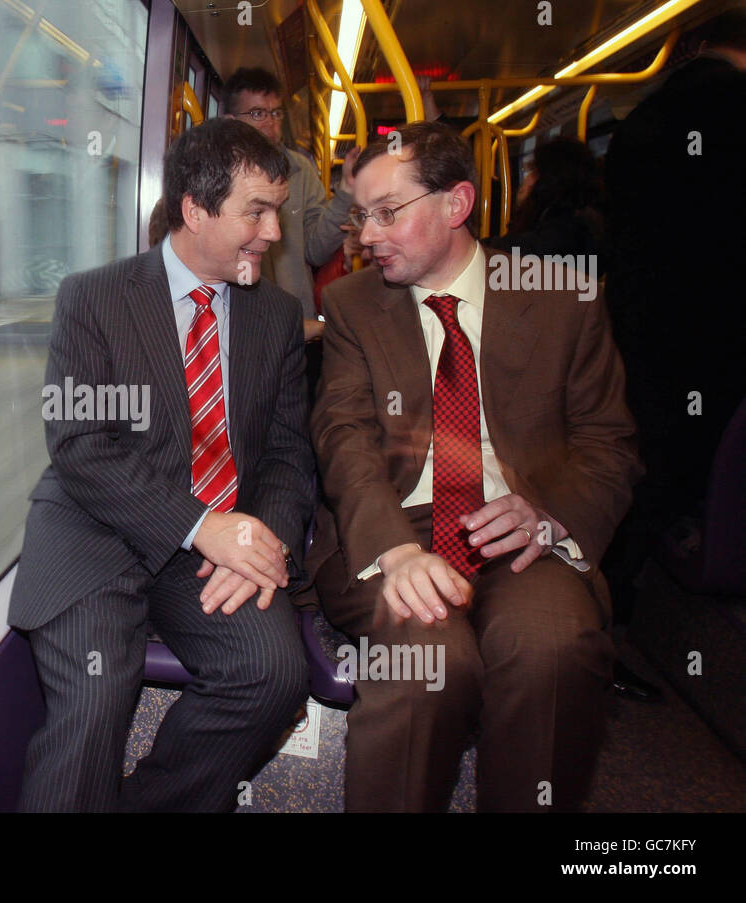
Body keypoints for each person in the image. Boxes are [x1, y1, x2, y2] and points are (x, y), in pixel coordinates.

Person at [302, 121, 642, 811]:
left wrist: (548, 515)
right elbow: (345, 437)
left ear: (456, 205)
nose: (366, 235)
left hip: (522, 533)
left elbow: (611, 445)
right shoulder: (351, 306)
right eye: (361, 215)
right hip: (400, 527)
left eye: (386, 212)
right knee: (428, 663)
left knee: (551, 648)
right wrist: (395, 550)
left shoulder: (562, 298)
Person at [10, 118, 317, 813]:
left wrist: (258, 537)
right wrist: (200, 523)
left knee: (272, 672)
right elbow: (81, 443)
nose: (274, 232)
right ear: (195, 209)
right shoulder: (94, 298)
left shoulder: (276, 317)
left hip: (213, 547)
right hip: (98, 528)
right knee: (92, 698)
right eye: (257, 212)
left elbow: (287, 454)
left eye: (278, 210)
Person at [604, 6, 746, 627]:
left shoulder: (645, 120)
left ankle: (611, 601)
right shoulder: (736, 108)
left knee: (645, 454)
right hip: (722, 319)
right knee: (702, 453)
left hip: (641, 318)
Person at [221, 67, 357, 345]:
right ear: (231, 121)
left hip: (296, 326)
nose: (270, 123)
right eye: (258, 114)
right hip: (238, 328)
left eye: (276, 113)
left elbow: (316, 251)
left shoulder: (301, 170)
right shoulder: (216, 175)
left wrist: (345, 194)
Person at [487, 136, 605, 267]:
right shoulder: (580, 222)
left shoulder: (568, 230)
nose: (526, 180)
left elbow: (525, 251)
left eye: (533, 171)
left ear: (548, 180)